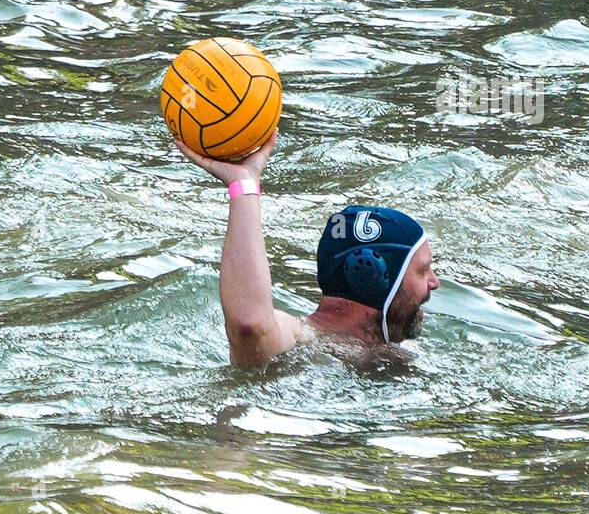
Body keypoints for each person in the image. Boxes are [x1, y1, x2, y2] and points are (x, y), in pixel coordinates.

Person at [173, 133, 440, 366]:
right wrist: (244, 185)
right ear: (372, 274)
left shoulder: (401, 353)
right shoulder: (302, 342)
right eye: (422, 269)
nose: (434, 282)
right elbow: (250, 324)